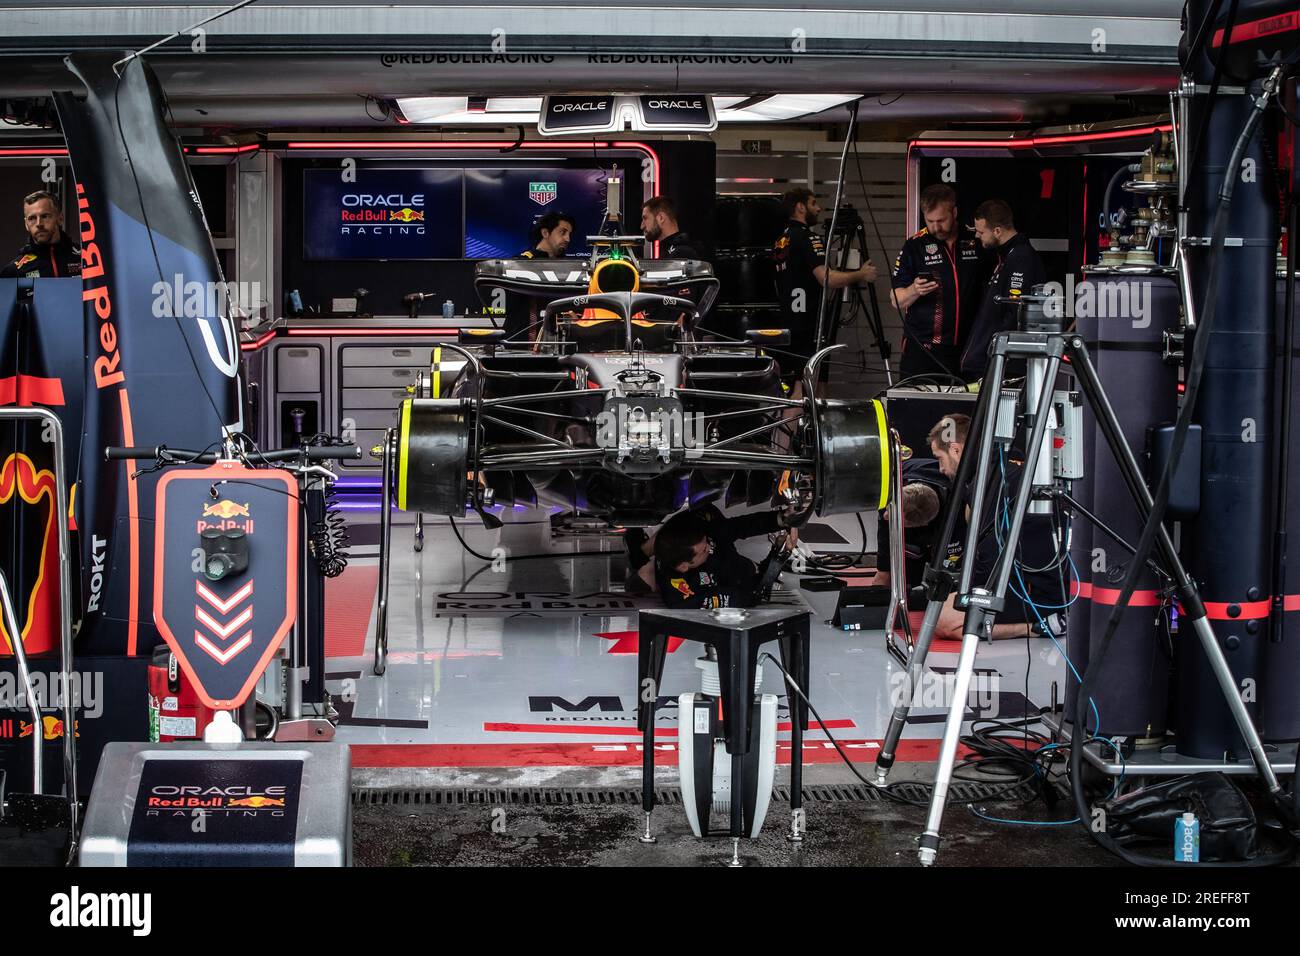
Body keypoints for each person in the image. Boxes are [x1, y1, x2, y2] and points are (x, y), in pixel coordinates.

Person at [923, 412, 1067, 640]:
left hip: (1037, 592)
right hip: (1038, 579)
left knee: (942, 619)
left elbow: (990, 558)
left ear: (956, 449)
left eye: (939, 457)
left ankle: (1040, 626)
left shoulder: (990, 487)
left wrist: (968, 589)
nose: (940, 468)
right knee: (942, 601)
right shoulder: (1003, 464)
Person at [771, 187, 876, 384]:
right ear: (800, 207)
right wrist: (861, 274)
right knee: (808, 387)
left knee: (800, 383)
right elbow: (826, 278)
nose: (818, 209)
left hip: (788, 322)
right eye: (813, 203)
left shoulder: (781, 240)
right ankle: (808, 415)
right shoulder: (808, 237)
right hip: (809, 324)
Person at [890, 183, 983, 381]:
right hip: (923, 348)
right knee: (916, 408)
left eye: (941, 220)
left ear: (955, 212)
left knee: (964, 410)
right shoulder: (914, 246)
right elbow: (895, 299)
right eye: (930, 221)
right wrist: (915, 290)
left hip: (968, 348)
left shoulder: (976, 240)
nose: (935, 227)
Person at [632, 503, 798, 609]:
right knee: (744, 578)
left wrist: (781, 519)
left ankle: (642, 553)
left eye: (707, 542)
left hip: (702, 521)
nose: (709, 547)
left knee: (717, 527)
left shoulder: (696, 529)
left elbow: (737, 527)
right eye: (704, 550)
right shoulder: (683, 596)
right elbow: (752, 596)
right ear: (684, 566)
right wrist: (779, 554)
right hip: (734, 577)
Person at [959, 199, 1047, 382]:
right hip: (990, 361)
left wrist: (995, 351)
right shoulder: (1006, 256)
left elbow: (1015, 312)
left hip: (1002, 366)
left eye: (981, 232)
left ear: (997, 231)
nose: (977, 236)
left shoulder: (1020, 258)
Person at [870, 455, 957, 591]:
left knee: (944, 578)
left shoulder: (958, 504)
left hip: (945, 519)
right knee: (901, 576)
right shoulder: (890, 484)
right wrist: (883, 571)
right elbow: (885, 538)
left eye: (892, 518)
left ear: (920, 525)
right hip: (905, 481)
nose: (885, 516)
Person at [503, 211, 577, 340]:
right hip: (521, 346)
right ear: (545, 233)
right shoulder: (520, 262)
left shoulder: (572, 267)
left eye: (569, 234)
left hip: (561, 346)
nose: (567, 239)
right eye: (563, 232)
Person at [1, 190, 81, 279]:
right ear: (26, 224)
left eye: (45, 216)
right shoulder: (13, 272)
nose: (39, 223)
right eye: (32, 218)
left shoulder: (84, 258)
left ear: (60, 218)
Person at [640, 196, 704, 260]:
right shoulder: (670, 250)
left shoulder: (682, 253)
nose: (642, 226)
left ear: (660, 218)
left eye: (645, 218)